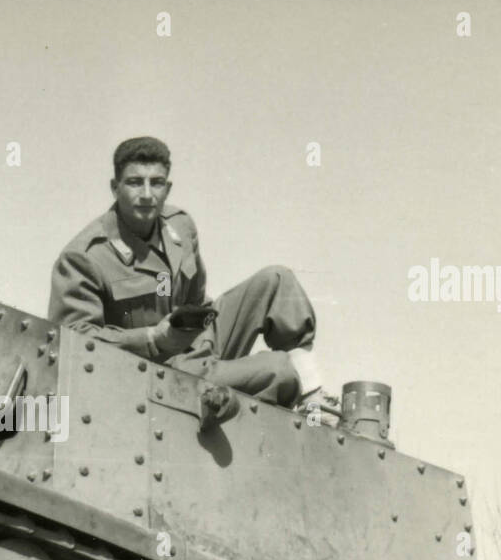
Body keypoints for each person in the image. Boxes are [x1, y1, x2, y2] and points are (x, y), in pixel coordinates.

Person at [48, 136, 326, 408]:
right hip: (159, 368)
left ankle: (314, 397)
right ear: (114, 187)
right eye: (134, 182)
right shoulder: (84, 257)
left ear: (167, 188)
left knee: (277, 280)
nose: (146, 194)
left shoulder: (180, 226)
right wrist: (152, 339)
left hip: (198, 342)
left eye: (156, 183)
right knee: (278, 369)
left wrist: (198, 323)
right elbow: (74, 341)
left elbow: (198, 299)